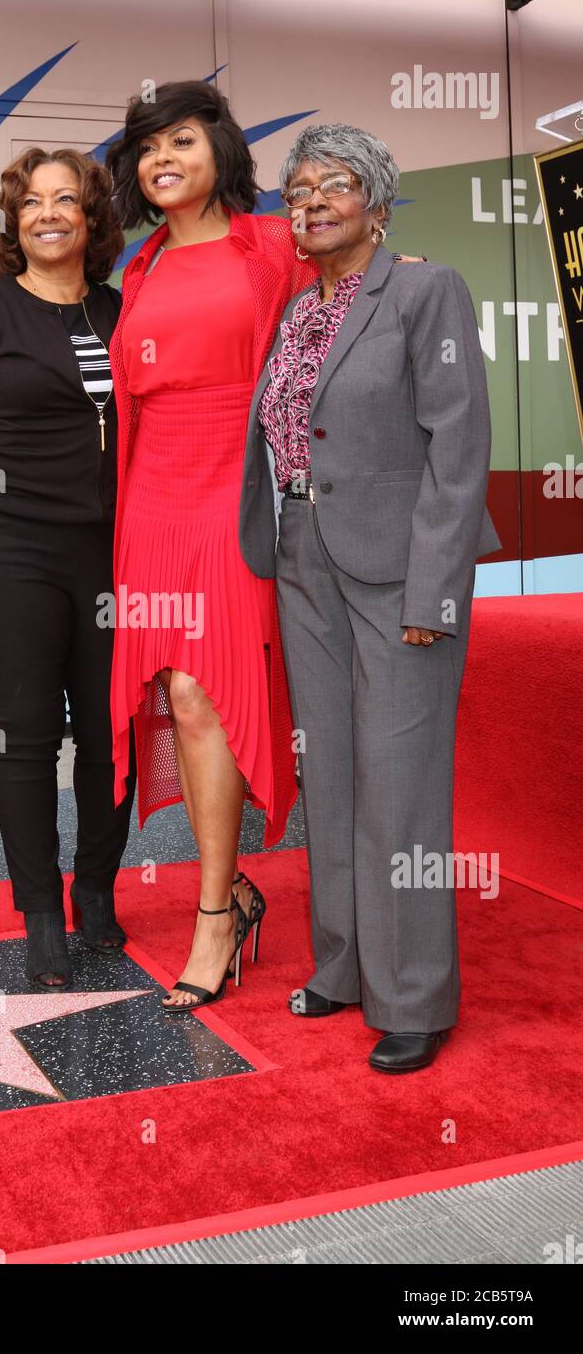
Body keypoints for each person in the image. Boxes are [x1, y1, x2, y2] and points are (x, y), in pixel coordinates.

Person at [239, 123, 502, 1072]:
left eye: (335, 184)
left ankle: (415, 994)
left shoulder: (424, 290)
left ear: (378, 203)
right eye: (298, 188)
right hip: (302, 551)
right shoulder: (296, 312)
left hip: (400, 568)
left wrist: (435, 591)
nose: (310, 200)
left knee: (400, 785)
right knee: (336, 775)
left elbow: (457, 447)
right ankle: (346, 966)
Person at [106, 80, 319, 1012]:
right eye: (149, 146)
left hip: (239, 489)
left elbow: (328, 344)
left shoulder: (272, 244)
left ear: (219, 151)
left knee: (208, 693)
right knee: (179, 696)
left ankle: (212, 915)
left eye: (182, 140)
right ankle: (226, 890)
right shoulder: (140, 269)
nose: (164, 158)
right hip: (152, 493)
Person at [0, 147, 136, 992]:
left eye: (67, 199)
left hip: (115, 552)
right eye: (31, 202)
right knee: (25, 734)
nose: (49, 214)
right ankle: (41, 913)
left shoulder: (124, 311)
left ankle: (95, 890)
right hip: (11, 543)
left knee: (109, 734)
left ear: (92, 218)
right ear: (13, 222)